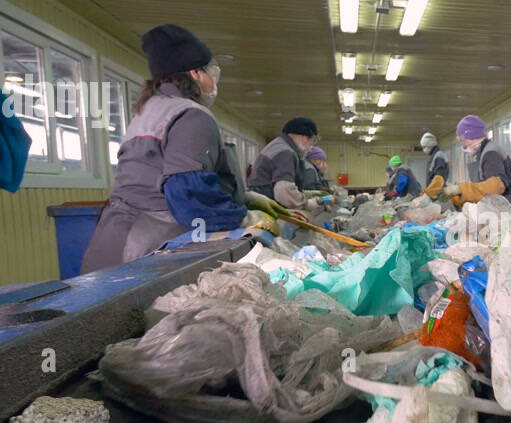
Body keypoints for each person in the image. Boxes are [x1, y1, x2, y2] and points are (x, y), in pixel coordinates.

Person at [81, 24, 247, 273]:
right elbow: (188, 193)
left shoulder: (150, 110)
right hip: (147, 251)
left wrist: (246, 196)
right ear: (194, 73)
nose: (213, 81)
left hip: (112, 242)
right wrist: (242, 217)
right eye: (211, 72)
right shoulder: (191, 114)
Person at [424, 114, 511, 208]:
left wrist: (460, 189)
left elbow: (497, 186)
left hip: (509, 204)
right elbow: (480, 189)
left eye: (462, 140)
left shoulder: (490, 153)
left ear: (471, 136)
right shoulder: (483, 153)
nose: (463, 144)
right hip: (497, 203)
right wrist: (455, 196)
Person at [248, 117, 330, 210]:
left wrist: (308, 194)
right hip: (269, 208)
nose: (310, 146)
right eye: (312, 141)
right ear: (305, 138)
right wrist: (307, 204)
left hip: (260, 203)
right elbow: (283, 192)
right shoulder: (286, 152)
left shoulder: (277, 145)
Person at [418, 132, 450, 196]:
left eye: (424, 147)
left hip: (437, 193)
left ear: (429, 145)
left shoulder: (439, 156)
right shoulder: (434, 156)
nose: (424, 149)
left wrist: (428, 193)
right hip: (433, 191)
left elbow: (438, 179)